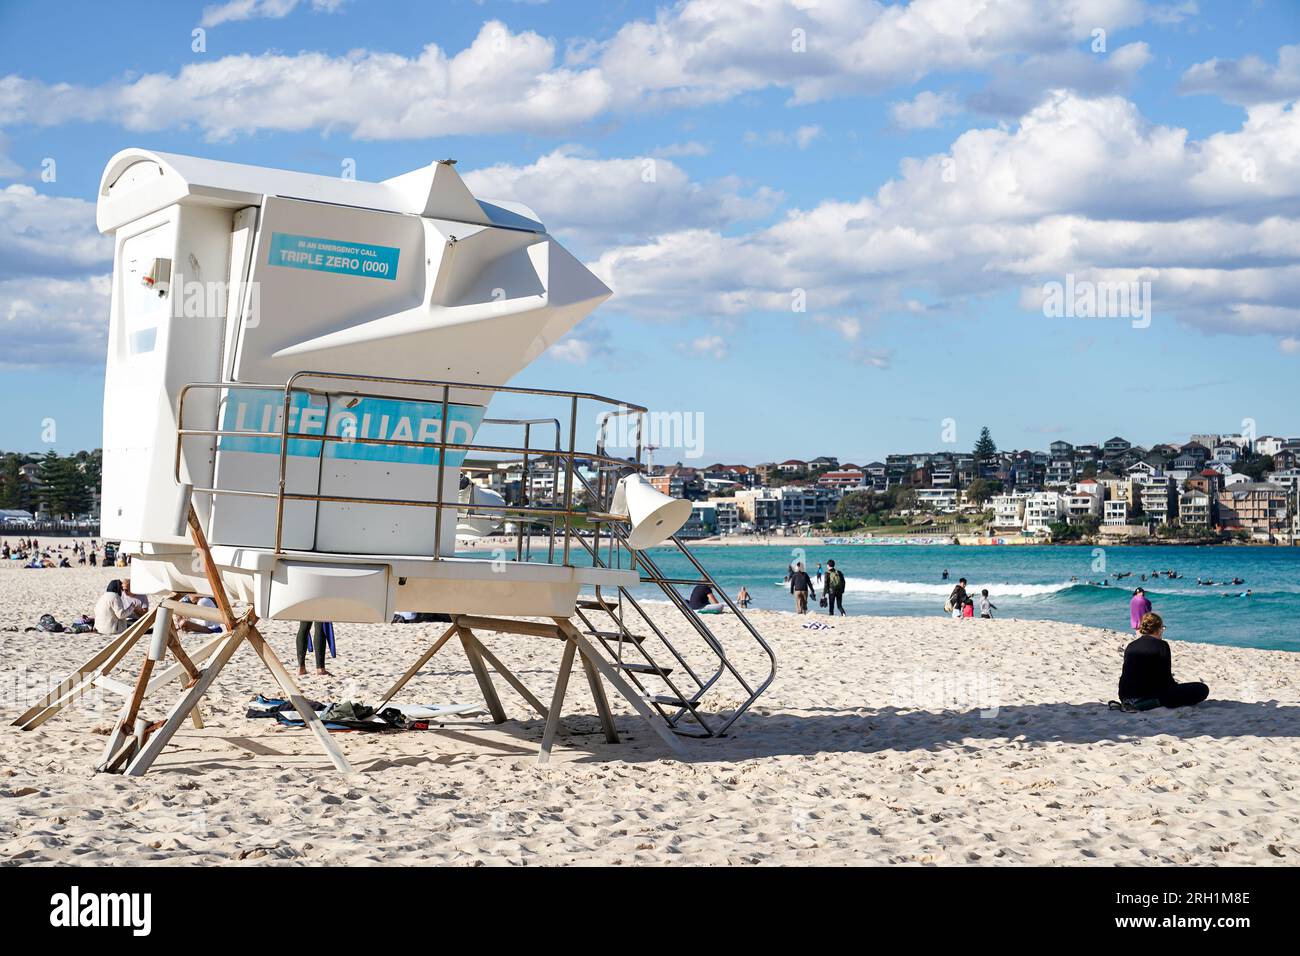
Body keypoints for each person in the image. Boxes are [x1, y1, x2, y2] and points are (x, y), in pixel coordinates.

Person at [1117, 612, 1208, 710]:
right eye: (1163, 628)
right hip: (1147, 694)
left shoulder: (1131, 645)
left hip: (1125, 695)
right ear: (1159, 629)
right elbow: (1166, 678)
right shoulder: (1162, 645)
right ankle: (1147, 704)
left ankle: (1138, 703)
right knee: (1202, 689)